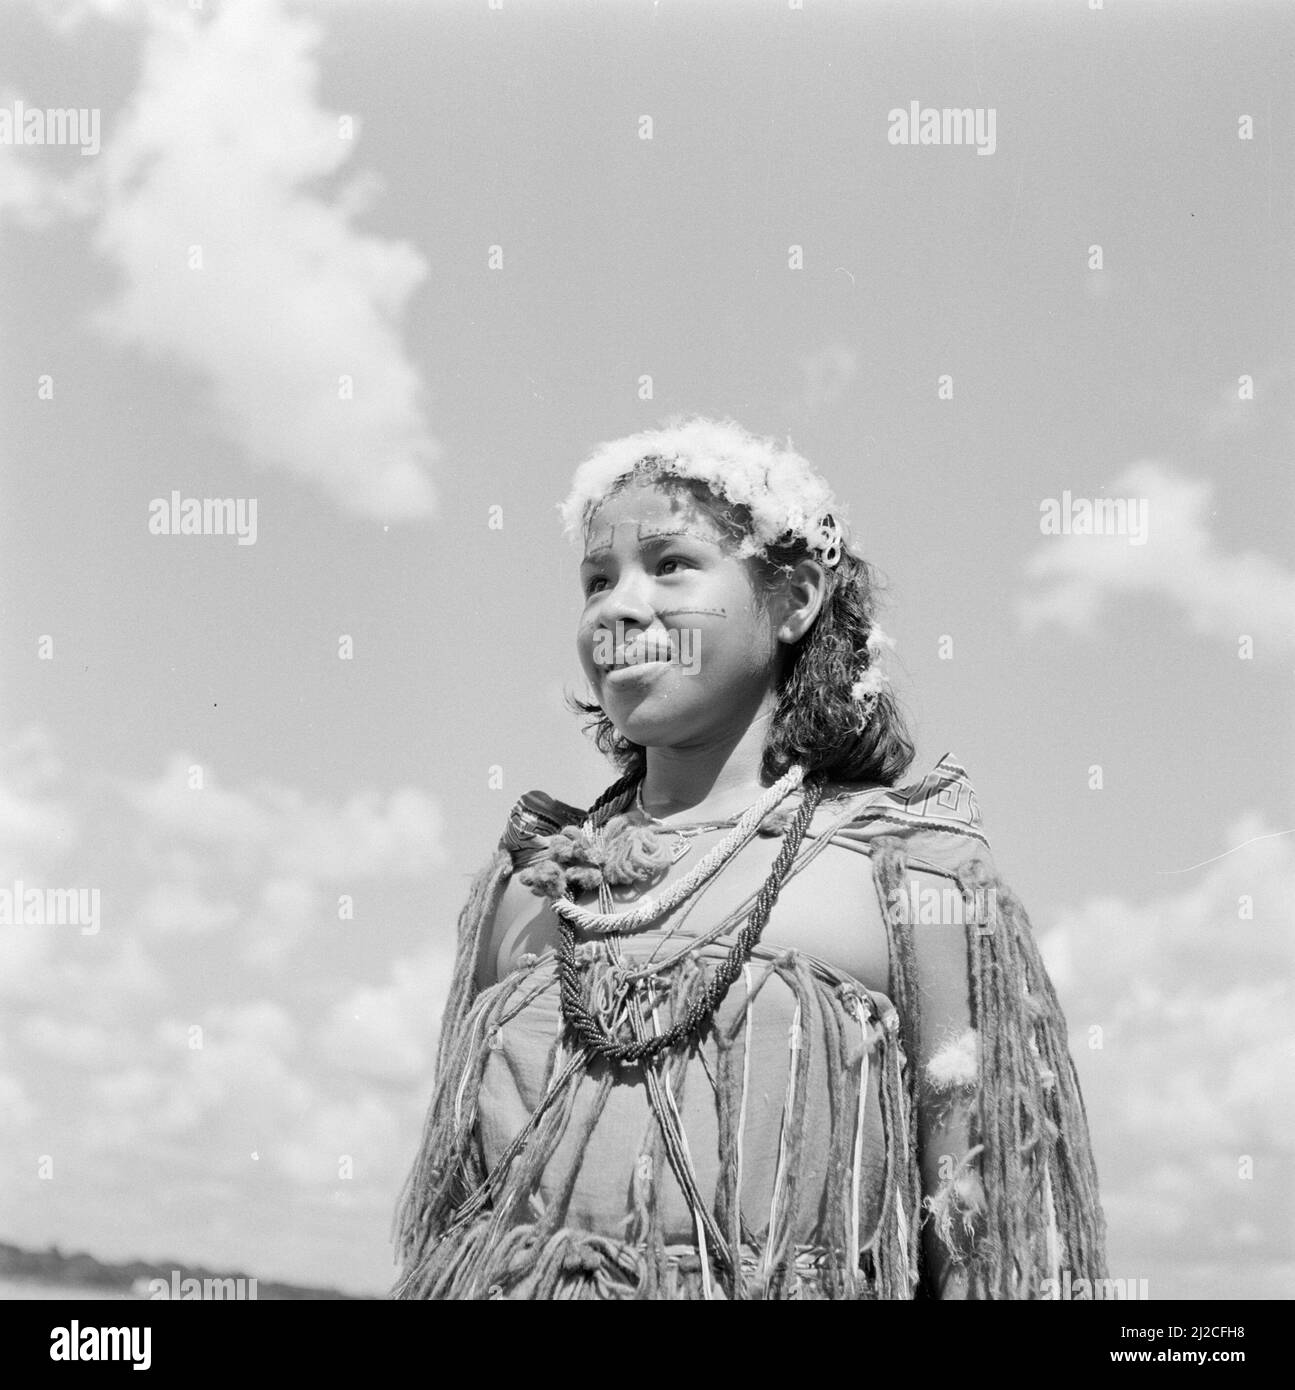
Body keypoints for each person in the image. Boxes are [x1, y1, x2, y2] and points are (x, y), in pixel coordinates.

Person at [393, 417, 1107, 1300]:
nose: (618, 606)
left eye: (671, 564)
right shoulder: (536, 886)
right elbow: (454, 1210)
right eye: (596, 580)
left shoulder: (904, 878)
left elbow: (981, 1238)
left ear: (794, 599)